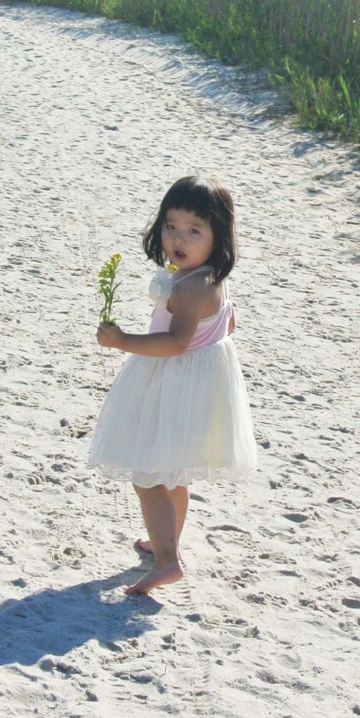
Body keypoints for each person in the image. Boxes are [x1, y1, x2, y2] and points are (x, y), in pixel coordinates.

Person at [89, 174, 257, 595]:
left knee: (147, 474)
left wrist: (123, 341)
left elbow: (177, 342)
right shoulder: (209, 278)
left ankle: (166, 560)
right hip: (196, 386)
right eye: (171, 226)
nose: (178, 239)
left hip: (175, 382)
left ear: (218, 237)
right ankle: (167, 542)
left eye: (194, 231)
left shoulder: (194, 286)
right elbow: (229, 323)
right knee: (171, 472)